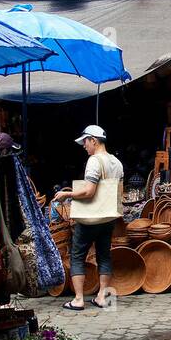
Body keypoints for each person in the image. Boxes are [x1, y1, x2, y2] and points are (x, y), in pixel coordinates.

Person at [52, 125, 123, 310]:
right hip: (107, 218)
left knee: (77, 256)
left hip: (90, 219)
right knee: (104, 255)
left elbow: (89, 191)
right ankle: (101, 296)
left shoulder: (94, 161)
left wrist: (67, 195)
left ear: (94, 140)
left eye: (85, 141)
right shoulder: (117, 162)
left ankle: (78, 299)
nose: (84, 146)